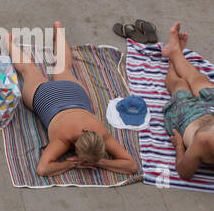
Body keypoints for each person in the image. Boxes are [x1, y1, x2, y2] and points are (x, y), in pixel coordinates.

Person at [8, 21, 138, 177]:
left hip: (73, 94)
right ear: (76, 146)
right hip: (47, 97)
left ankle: (55, 31)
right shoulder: (63, 139)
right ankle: (10, 42)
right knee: (29, 71)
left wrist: (100, 161)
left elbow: (132, 166)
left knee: (59, 67)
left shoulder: (101, 134)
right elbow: (42, 169)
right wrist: (71, 163)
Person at [160, 22, 214, 179]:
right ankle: (176, 53)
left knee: (180, 85)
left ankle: (171, 62)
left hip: (187, 120)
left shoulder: (205, 140)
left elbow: (184, 172)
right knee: (199, 79)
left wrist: (178, 146)